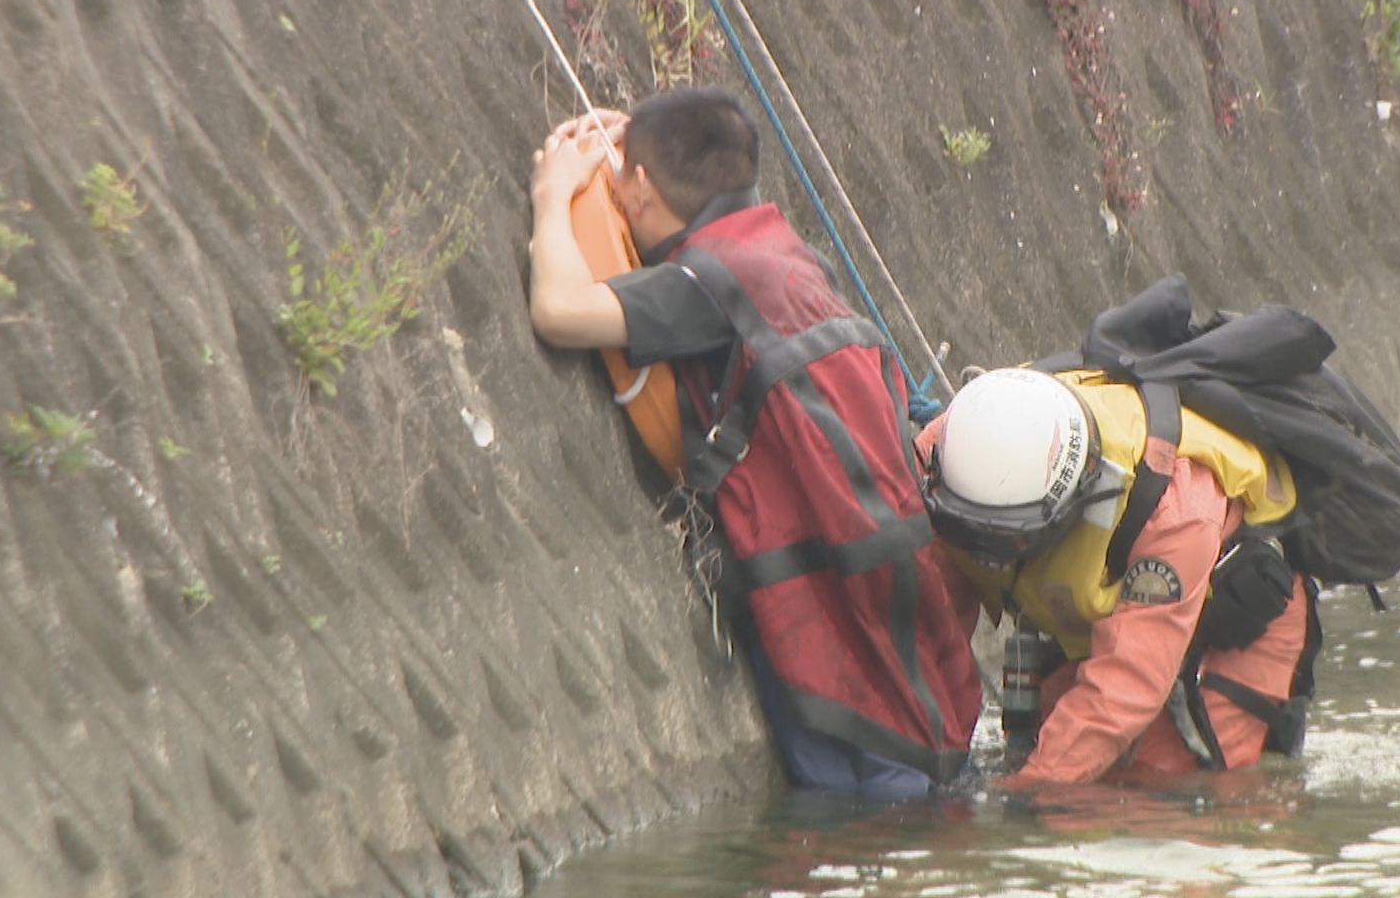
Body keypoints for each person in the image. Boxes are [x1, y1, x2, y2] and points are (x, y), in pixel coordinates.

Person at [524, 86, 983, 799]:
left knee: (862, 825)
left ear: (641, 188)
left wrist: (554, 196)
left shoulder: (700, 283)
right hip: (898, 589)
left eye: (623, 179)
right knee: (929, 791)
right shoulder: (786, 253)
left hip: (826, 619)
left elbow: (558, 311)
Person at [916, 365, 1318, 789]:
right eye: (973, 532)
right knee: (1045, 754)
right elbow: (922, 622)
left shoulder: (1176, 511)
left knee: (1170, 787)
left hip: (1234, 610)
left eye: (1006, 537)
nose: (985, 552)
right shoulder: (948, 451)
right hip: (1086, 605)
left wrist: (1023, 792)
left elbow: (1126, 686)